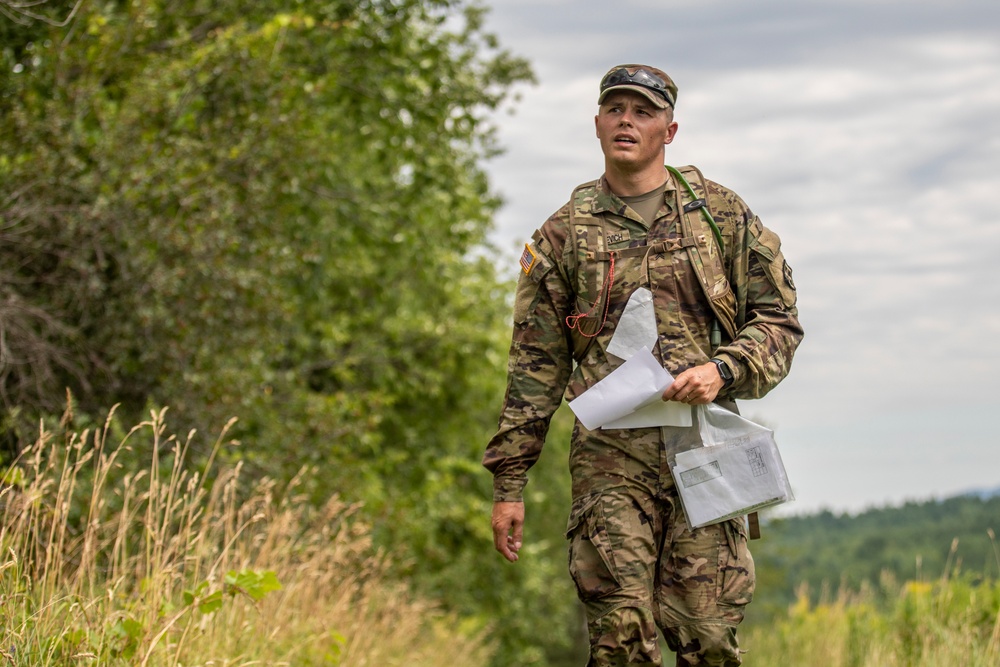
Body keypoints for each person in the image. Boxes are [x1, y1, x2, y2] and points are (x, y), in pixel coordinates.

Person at [482, 64, 804, 666]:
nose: (626, 120)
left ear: (670, 130)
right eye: (615, 109)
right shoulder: (563, 235)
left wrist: (724, 370)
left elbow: (779, 323)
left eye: (643, 111)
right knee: (621, 638)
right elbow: (534, 366)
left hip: (705, 447)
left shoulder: (719, 216)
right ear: (598, 122)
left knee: (708, 638)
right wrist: (510, 484)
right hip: (611, 457)